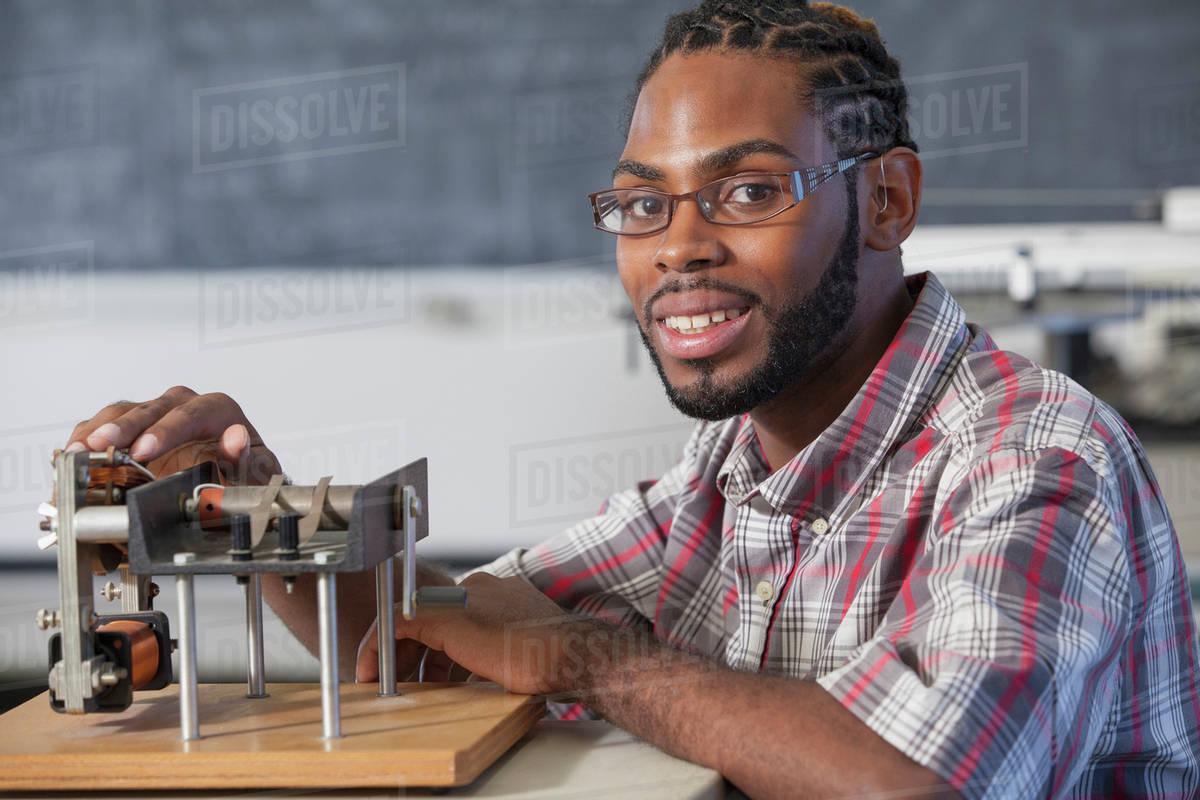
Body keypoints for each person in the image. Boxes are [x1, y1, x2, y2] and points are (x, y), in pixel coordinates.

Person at [64, 2, 1199, 797]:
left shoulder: (1038, 454)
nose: (679, 248)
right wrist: (259, 507)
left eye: (750, 189)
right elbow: (430, 637)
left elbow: (922, 781)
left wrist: (588, 659)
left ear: (889, 197)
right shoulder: (726, 479)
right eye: (641, 206)